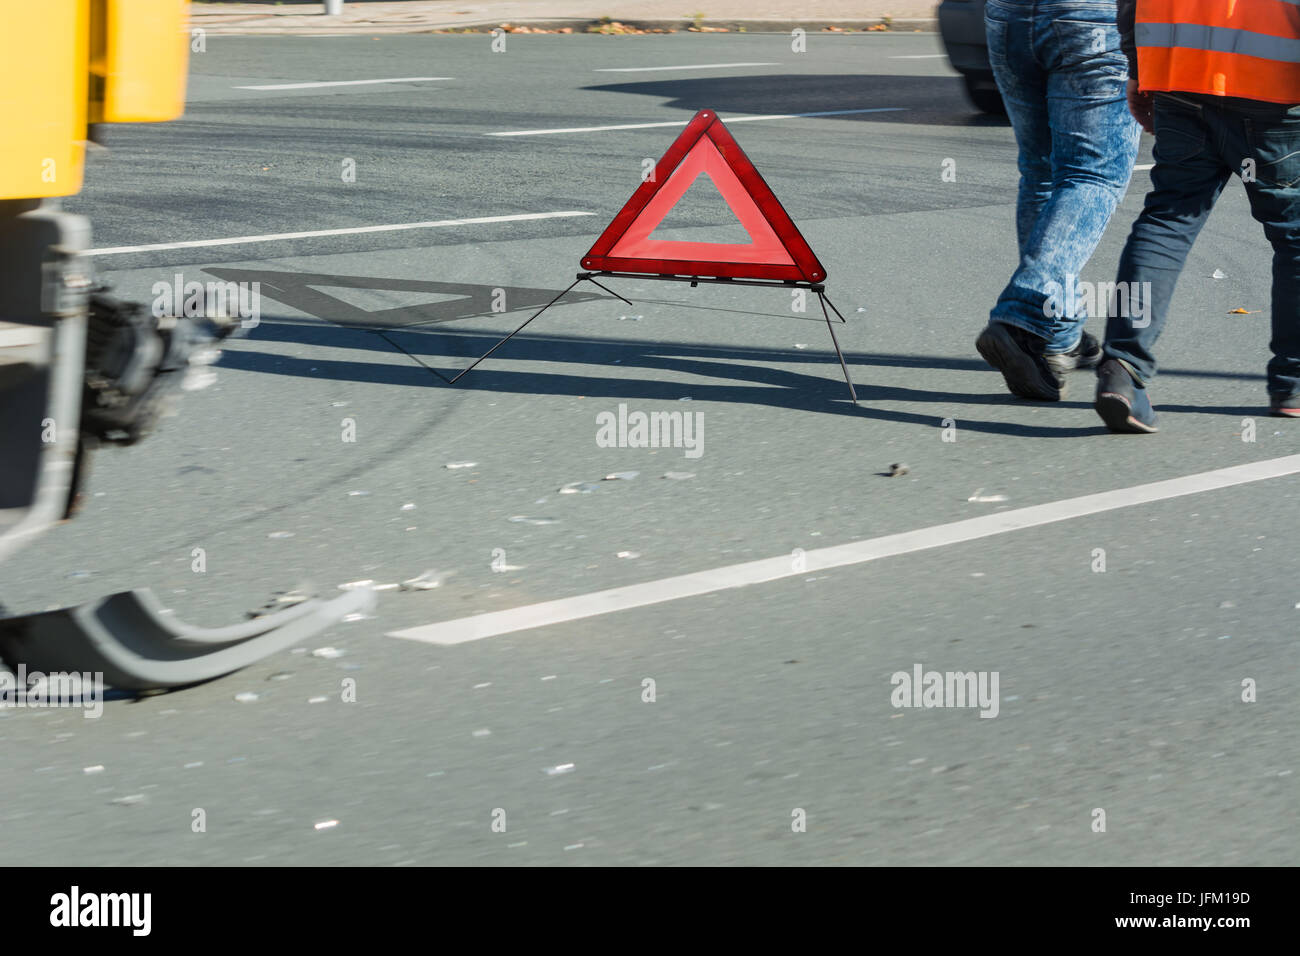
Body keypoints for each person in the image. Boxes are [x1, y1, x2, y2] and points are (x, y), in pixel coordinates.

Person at [1094, 0, 1300, 432]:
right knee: (1295, 236)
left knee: (1167, 221)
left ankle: (1123, 368)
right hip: (1273, 86)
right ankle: (1292, 385)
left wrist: (1138, 67)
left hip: (1179, 77)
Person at [975, 0, 1142, 401]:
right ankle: (1025, 313)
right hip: (1094, 20)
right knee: (1092, 174)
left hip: (1008, 16)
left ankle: (1058, 331)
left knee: (1042, 173)